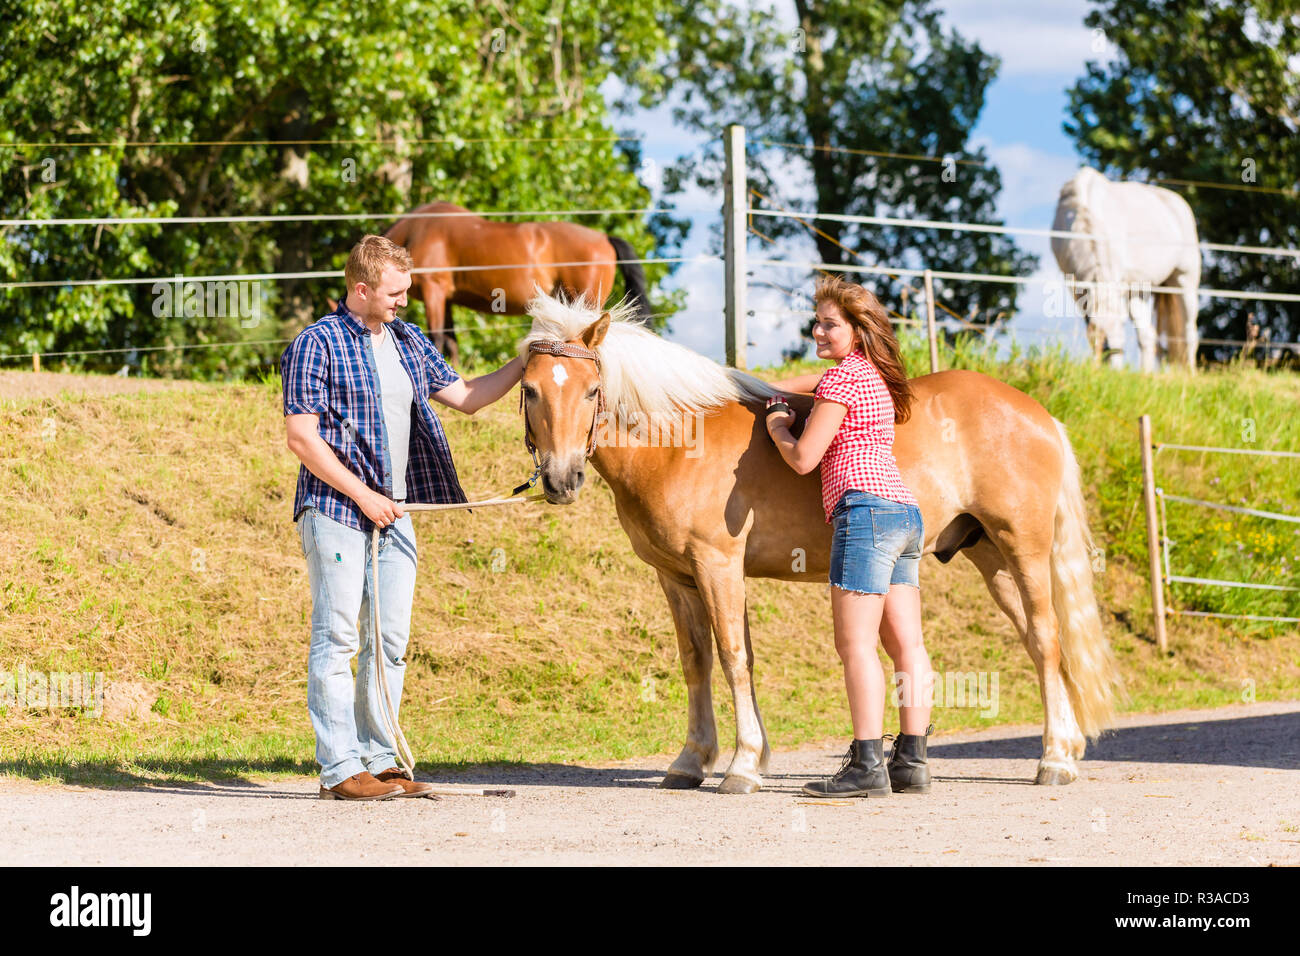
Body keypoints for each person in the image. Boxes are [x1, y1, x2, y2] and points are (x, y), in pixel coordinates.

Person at [282, 235, 524, 800]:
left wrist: (524, 360)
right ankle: (340, 770)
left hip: (397, 515)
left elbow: (466, 395)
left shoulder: (408, 340)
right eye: (394, 293)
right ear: (360, 289)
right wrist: (364, 495)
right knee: (338, 638)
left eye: (407, 292)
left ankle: (381, 761)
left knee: (388, 641)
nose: (404, 303)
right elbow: (302, 438)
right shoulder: (315, 344)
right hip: (337, 511)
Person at [764, 274, 935, 798]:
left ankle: (866, 765)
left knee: (855, 644)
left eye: (829, 324)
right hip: (905, 513)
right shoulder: (872, 377)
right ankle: (911, 759)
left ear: (857, 331)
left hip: (864, 513)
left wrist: (776, 424)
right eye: (815, 321)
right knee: (907, 644)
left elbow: (802, 459)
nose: (818, 330)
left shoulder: (841, 380)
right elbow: (805, 384)